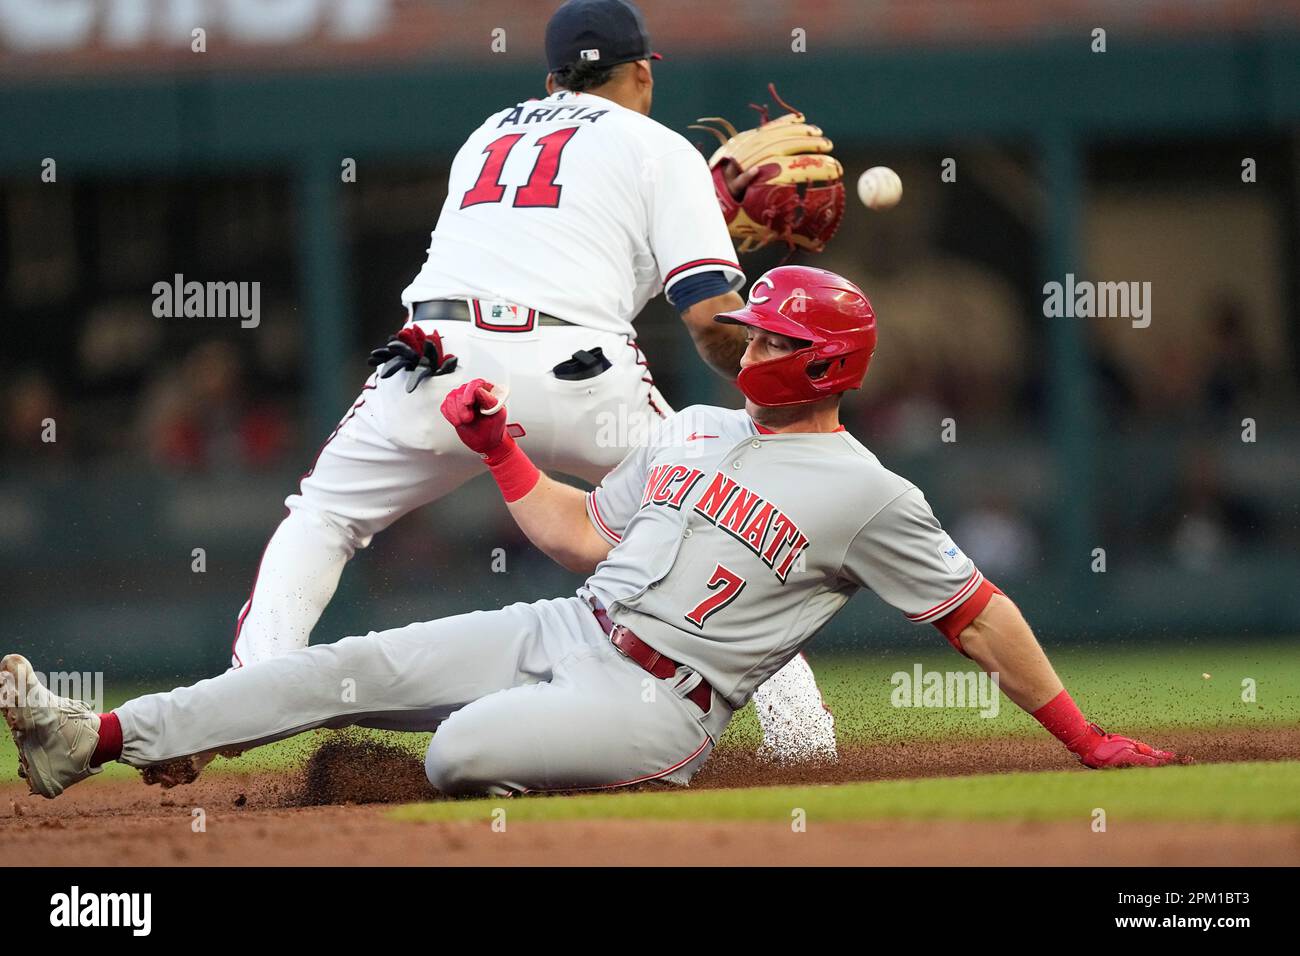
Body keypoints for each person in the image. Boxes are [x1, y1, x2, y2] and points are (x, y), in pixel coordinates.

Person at [2, 266, 1176, 800]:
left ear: (824, 363)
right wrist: (500, 444)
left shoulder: (870, 492)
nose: (748, 345)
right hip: (568, 623)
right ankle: (94, 732)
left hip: (659, 703)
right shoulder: (699, 429)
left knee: (461, 751)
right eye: (752, 331)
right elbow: (571, 533)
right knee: (343, 665)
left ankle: (439, 772)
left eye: (771, 338)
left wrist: (1082, 736)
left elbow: (980, 614)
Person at [222, 0, 835, 773]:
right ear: (644, 71)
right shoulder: (659, 146)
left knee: (325, 517)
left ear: (552, 77)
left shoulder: (487, 135)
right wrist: (770, 359)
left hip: (434, 362)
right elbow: (709, 320)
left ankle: (240, 703)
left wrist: (694, 213)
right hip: (578, 374)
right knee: (717, 525)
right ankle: (803, 742)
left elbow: (554, 253)